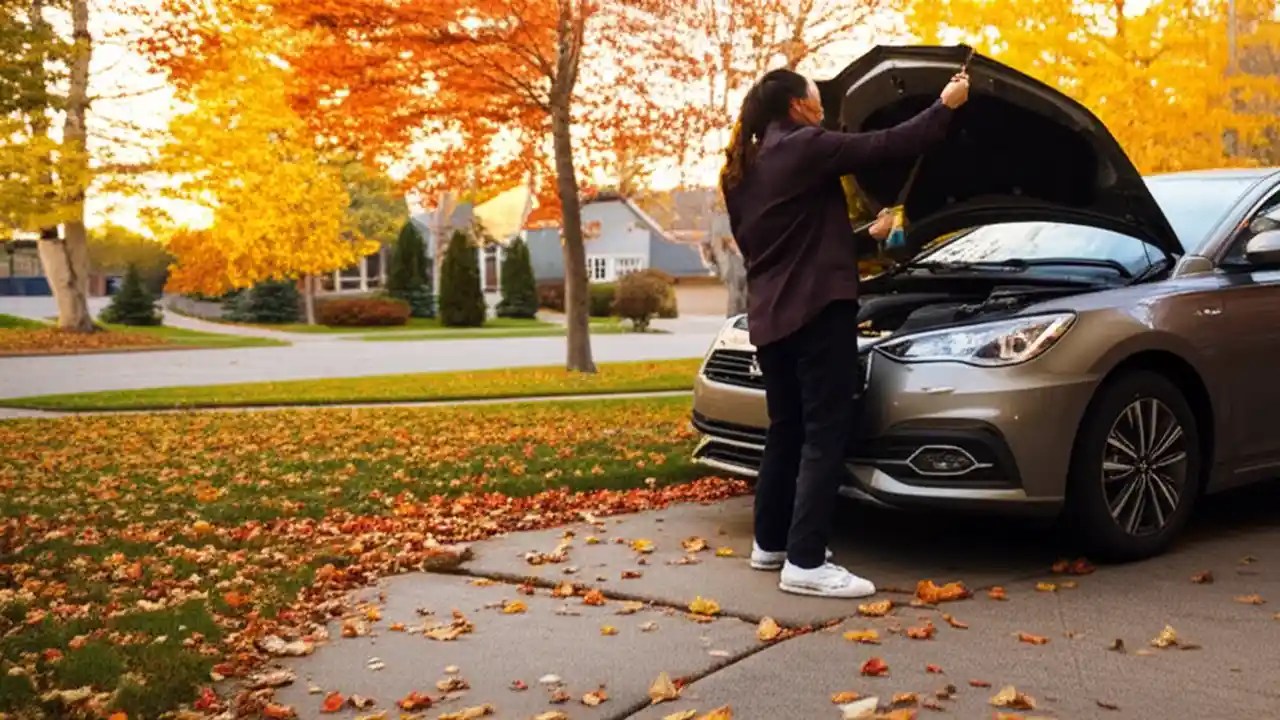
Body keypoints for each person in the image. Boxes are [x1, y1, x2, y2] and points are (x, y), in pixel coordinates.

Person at [720, 67, 970, 598]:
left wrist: (863, 237)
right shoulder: (804, 145)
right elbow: (889, 144)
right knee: (824, 433)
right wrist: (945, 106)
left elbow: (783, 247)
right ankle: (807, 563)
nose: (821, 102)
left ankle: (772, 544)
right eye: (814, 95)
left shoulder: (742, 171)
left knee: (786, 430)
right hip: (817, 313)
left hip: (771, 319)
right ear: (796, 105)